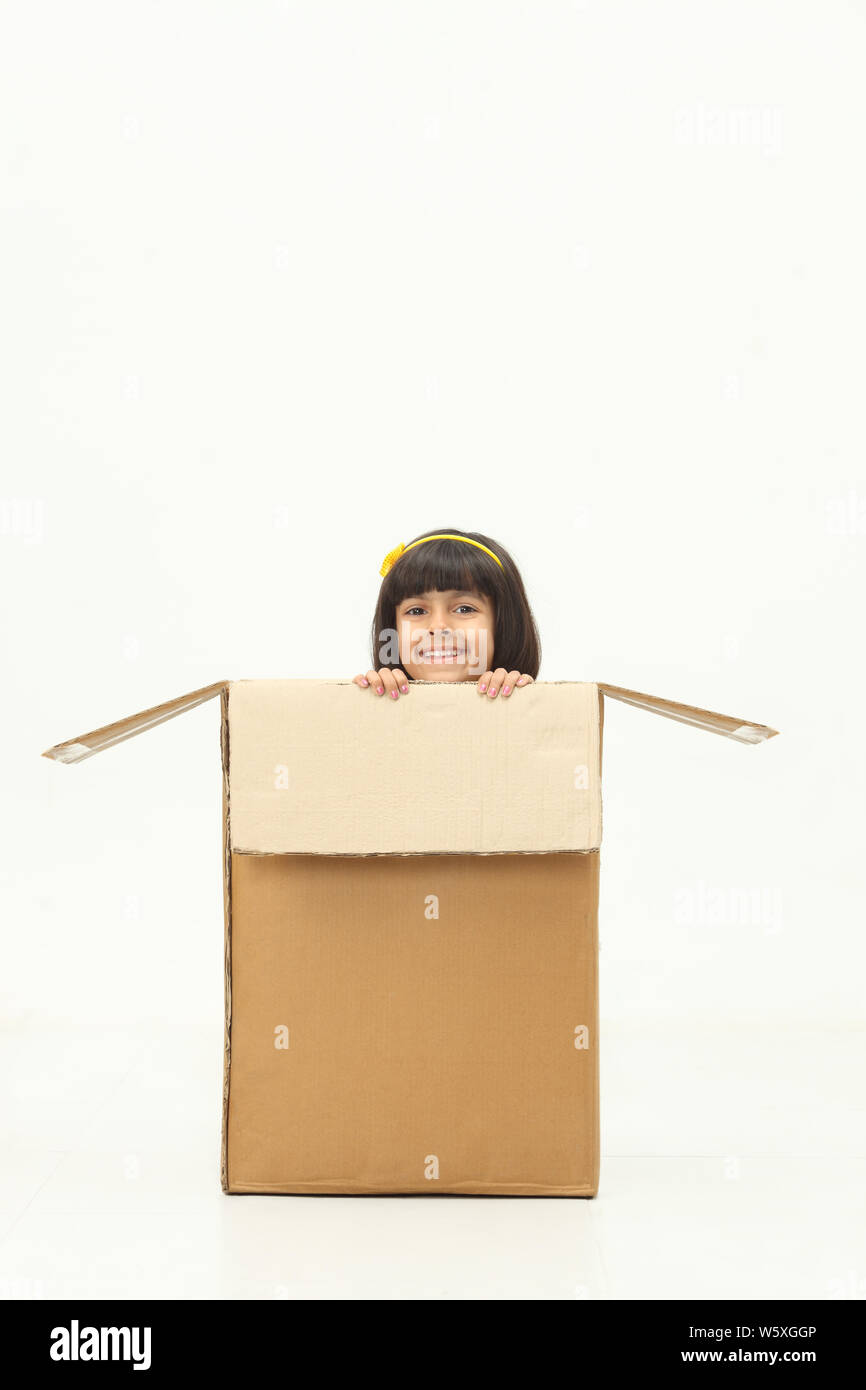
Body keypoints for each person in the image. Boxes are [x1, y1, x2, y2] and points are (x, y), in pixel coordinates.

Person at [353, 528, 540, 701]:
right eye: (416, 611)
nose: (438, 626)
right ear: (393, 630)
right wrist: (369, 701)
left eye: (464, 609)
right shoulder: (372, 706)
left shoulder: (528, 705)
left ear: (504, 626)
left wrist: (522, 700)